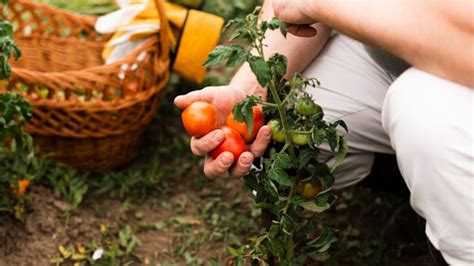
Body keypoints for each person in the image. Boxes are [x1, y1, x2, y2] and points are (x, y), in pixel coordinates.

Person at [174, 0, 473, 264]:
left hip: (462, 66)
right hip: (391, 52)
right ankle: (431, 196)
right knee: (282, 135)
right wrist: (250, 93)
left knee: (421, 110)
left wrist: (319, 3)